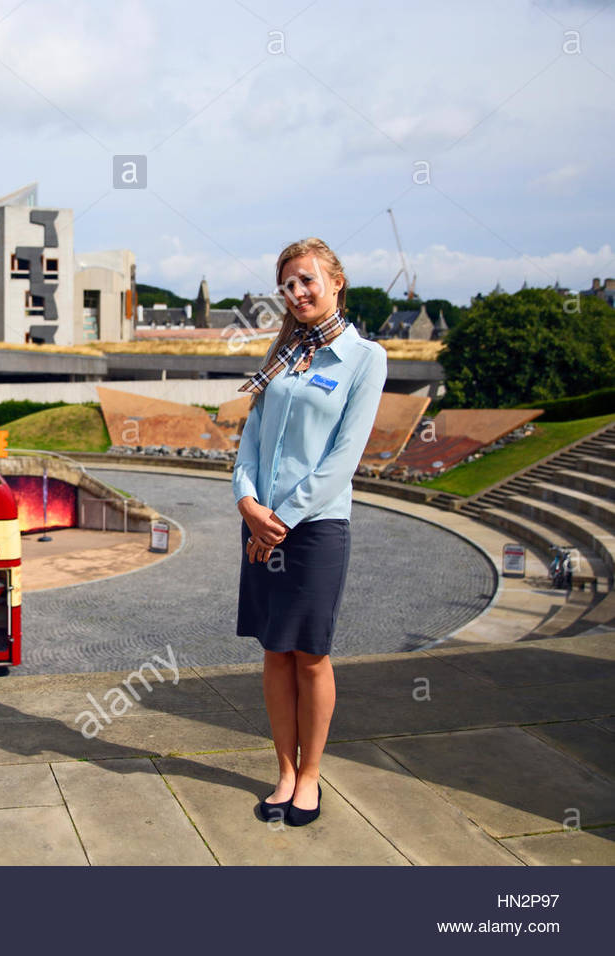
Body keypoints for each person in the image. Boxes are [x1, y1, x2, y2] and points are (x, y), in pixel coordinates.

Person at [232, 237, 386, 829]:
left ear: (336, 282)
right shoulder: (282, 353)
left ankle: (312, 776)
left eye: (306, 280)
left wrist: (281, 521)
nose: (297, 293)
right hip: (258, 522)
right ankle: (284, 773)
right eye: (288, 285)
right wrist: (245, 500)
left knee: (311, 655)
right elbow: (251, 437)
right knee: (275, 653)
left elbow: (343, 459)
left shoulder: (364, 358)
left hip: (315, 527)